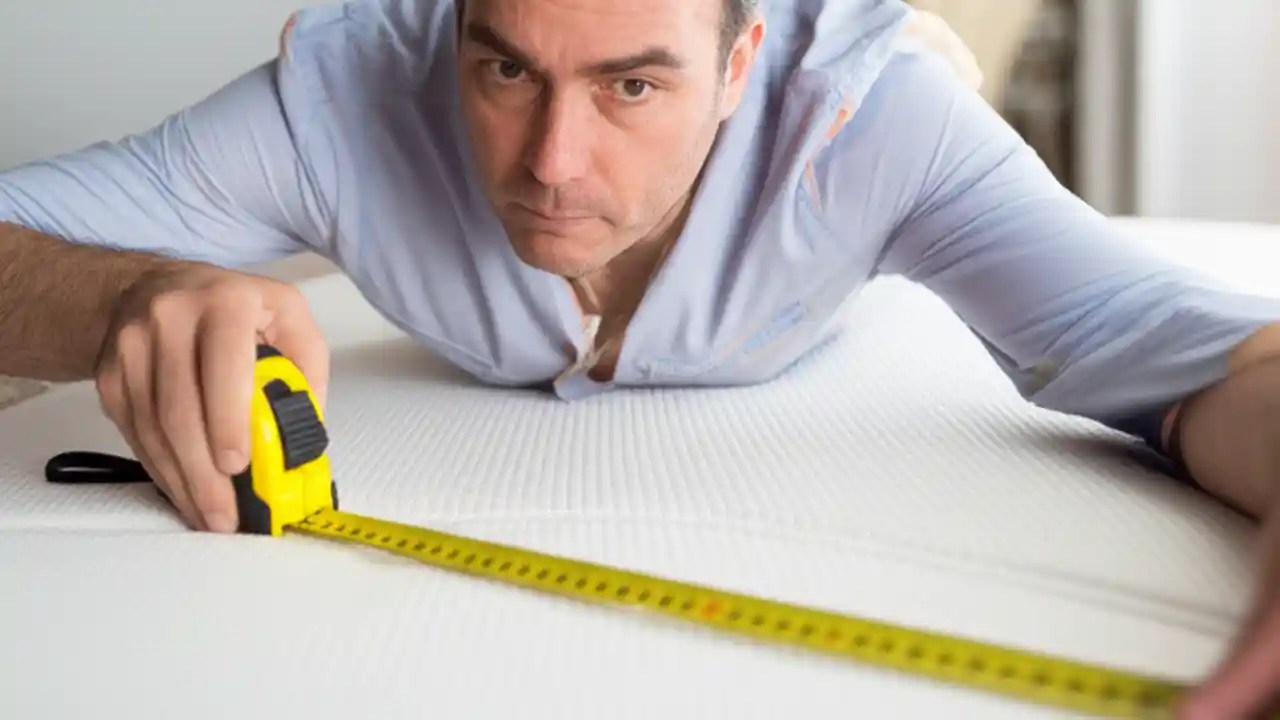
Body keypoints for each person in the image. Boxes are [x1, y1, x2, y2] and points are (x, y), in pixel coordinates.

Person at [0, 0, 1277, 715]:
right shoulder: (347, 94)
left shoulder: (871, 118)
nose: (550, 164)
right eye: (504, 67)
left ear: (737, 68)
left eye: (630, 88)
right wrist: (125, 291)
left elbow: (1205, 358)